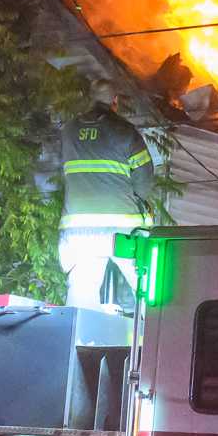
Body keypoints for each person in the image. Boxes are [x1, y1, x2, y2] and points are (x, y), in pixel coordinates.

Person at [57, 79, 156, 310]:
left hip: (77, 233)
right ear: (115, 101)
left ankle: (78, 342)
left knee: (81, 296)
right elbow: (144, 179)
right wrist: (140, 202)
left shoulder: (69, 130)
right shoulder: (124, 131)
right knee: (147, 288)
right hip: (121, 232)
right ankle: (151, 339)